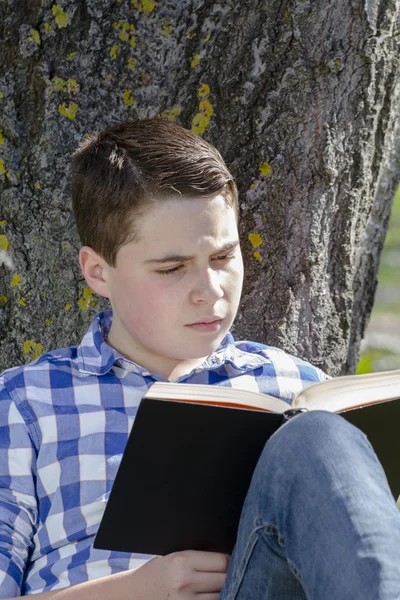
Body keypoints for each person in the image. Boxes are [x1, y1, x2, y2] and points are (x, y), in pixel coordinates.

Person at [0, 118, 399, 600]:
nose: (209, 291)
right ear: (98, 272)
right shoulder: (24, 404)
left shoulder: (298, 385)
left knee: (317, 434)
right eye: (172, 268)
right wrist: (140, 589)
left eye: (224, 257)